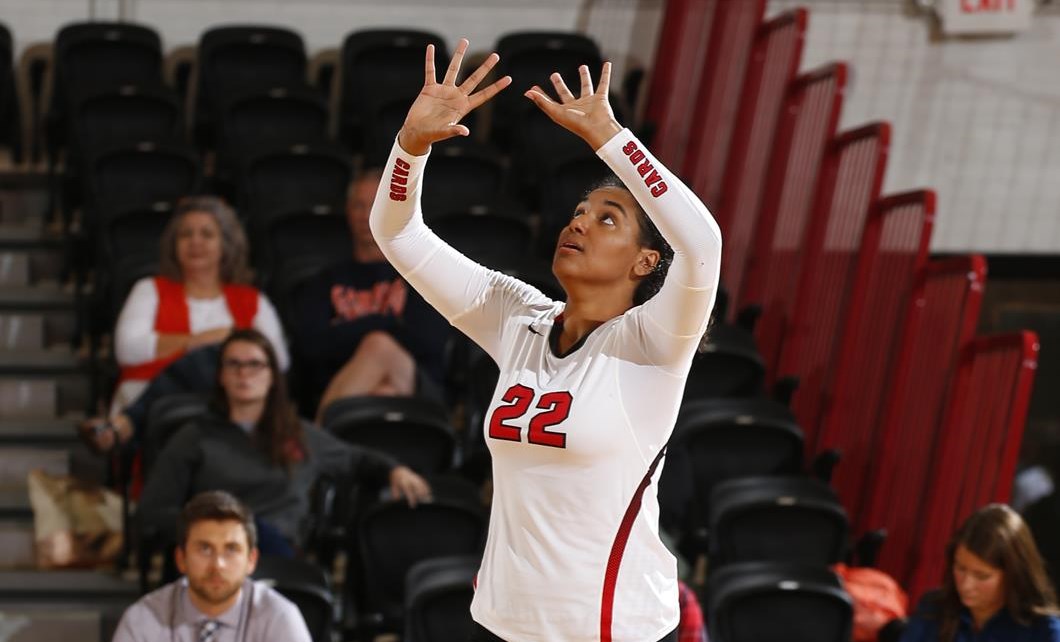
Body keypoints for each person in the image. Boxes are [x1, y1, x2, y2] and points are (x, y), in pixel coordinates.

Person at [371, 39, 721, 642]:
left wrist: (609, 136)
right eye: (580, 211)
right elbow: (398, 235)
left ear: (645, 261)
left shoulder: (653, 343)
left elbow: (704, 243)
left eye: (607, 218)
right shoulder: (517, 317)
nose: (579, 221)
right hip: (501, 623)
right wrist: (410, 147)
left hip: (612, 629)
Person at [137, 328, 431, 557]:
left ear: (272, 377)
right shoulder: (194, 436)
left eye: (254, 365)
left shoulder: (300, 434)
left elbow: (356, 459)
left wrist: (395, 470)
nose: (244, 374)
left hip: (277, 551)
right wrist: (208, 530)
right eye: (234, 364)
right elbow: (154, 510)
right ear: (221, 376)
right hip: (216, 554)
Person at [290, 168, 450, 419]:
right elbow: (311, 348)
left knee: (379, 346)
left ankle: (318, 434)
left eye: (376, 205)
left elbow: (429, 343)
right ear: (347, 211)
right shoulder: (325, 282)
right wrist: (386, 324)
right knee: (383, 390)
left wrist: (355, 332)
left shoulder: (421, 277)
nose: (366, 215)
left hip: (415, 388)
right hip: (355, 388)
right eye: (358, 205)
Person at [112, 196, 289, 413]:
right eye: (186, 234)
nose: (195, 242)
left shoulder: (252, 300)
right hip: (152, 408)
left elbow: (278, 361)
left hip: (228, 408)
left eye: (207, 234)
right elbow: (127, 350)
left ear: (226, 245)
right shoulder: (149, 289)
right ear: (174, 245)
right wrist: (203, 340)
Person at [111, 490, 312, 642]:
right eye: (204, 549)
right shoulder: (143, 618)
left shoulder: (278, 617)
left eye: (231, 549)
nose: (218, 565)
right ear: (181, 558)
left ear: (251, 560)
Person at [900, 504, 1060, 642]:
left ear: (1013, 575)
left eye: (982, 576)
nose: (966, 585)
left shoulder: (1043, 631)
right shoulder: (933, 609)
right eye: (961, 568)